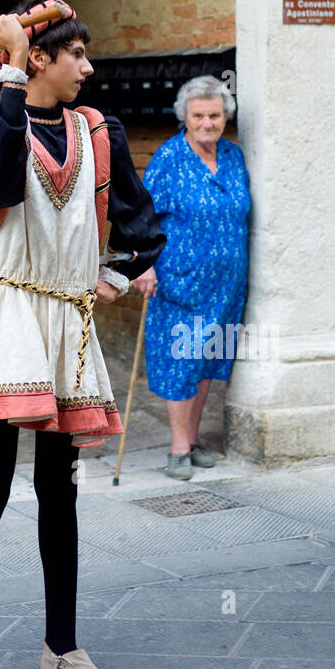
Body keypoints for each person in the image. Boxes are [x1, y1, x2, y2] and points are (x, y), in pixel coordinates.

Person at [0, 0, 166, 669]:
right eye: (76, 55)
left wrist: (114, 277)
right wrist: (4, 88)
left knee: (60, 492)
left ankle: (62, 651)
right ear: (37, 60)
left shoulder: (99, 132)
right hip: (4, 319)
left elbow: (142, 224)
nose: (88, 68)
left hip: (67, 321)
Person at [130, 75, 251, 481]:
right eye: (198, 115)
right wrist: (143, 265)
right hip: (181, 282)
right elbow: (143, 217)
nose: (207, 123)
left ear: (225, 116)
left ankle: (194, 440)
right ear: (185, 116)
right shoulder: (169, 158)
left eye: (214, 115)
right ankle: (178, 447)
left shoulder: (234, 157)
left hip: (228, 286)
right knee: (181, 360)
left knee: (209, 361)